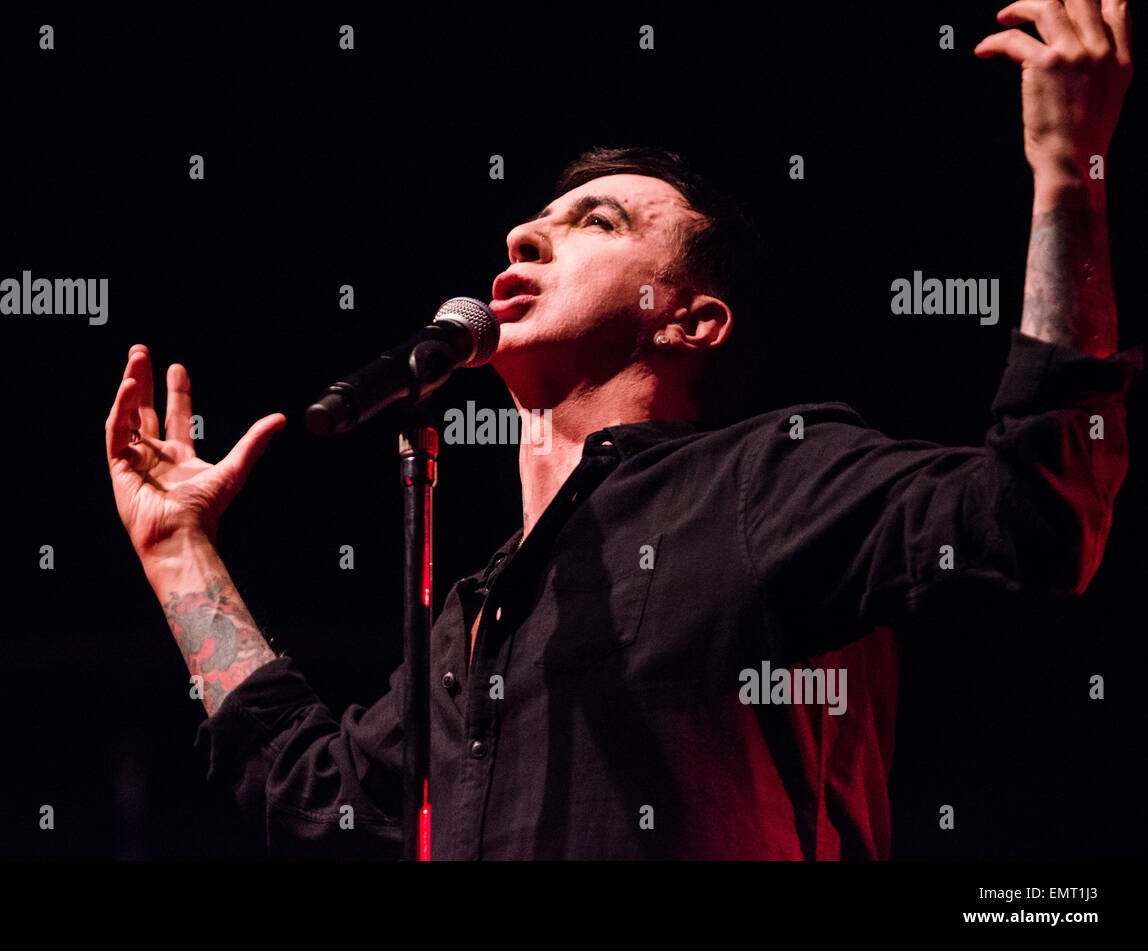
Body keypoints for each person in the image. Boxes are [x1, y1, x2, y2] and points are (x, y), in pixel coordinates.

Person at [105, 1, 1140, 859]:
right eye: (536, 223)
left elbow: (1035, 522)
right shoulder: (475, 613)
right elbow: (311, 792)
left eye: (596, 224)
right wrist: (177, 552)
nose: (524, 233)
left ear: (689, 318)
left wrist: (1068, 177)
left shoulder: (767, 476)